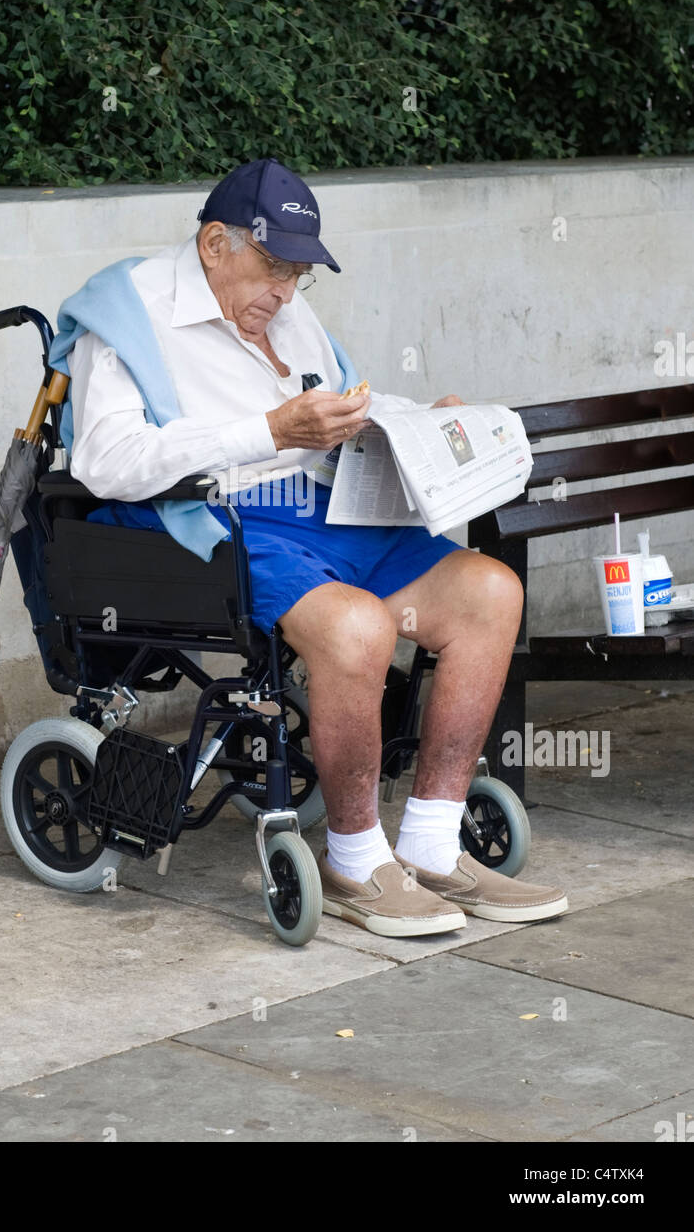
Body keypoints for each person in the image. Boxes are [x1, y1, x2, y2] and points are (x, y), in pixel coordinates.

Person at [65, 157, 567, 937]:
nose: (285, 293)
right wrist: (266, 431)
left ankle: (432, 845)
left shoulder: (285, 313)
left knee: (490, 592)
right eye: (273, 268)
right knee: (357, 628)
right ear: (213, 245)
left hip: (332, 507)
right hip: (220, 520)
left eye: (300, 275)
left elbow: (340, 410)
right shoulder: (129, 317)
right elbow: (104, 464)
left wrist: (421, 421)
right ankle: (354, 862)